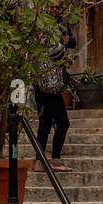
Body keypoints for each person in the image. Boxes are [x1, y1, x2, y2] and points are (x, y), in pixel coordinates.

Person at [33, 21, 77, 172]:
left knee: (44, 125)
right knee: (63, 123)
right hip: (50, 90)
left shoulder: (37, 46)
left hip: (42, 89)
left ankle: (40, 161)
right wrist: (67, 57)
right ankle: (55, 159)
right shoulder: (51, 44)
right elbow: (58, 53)